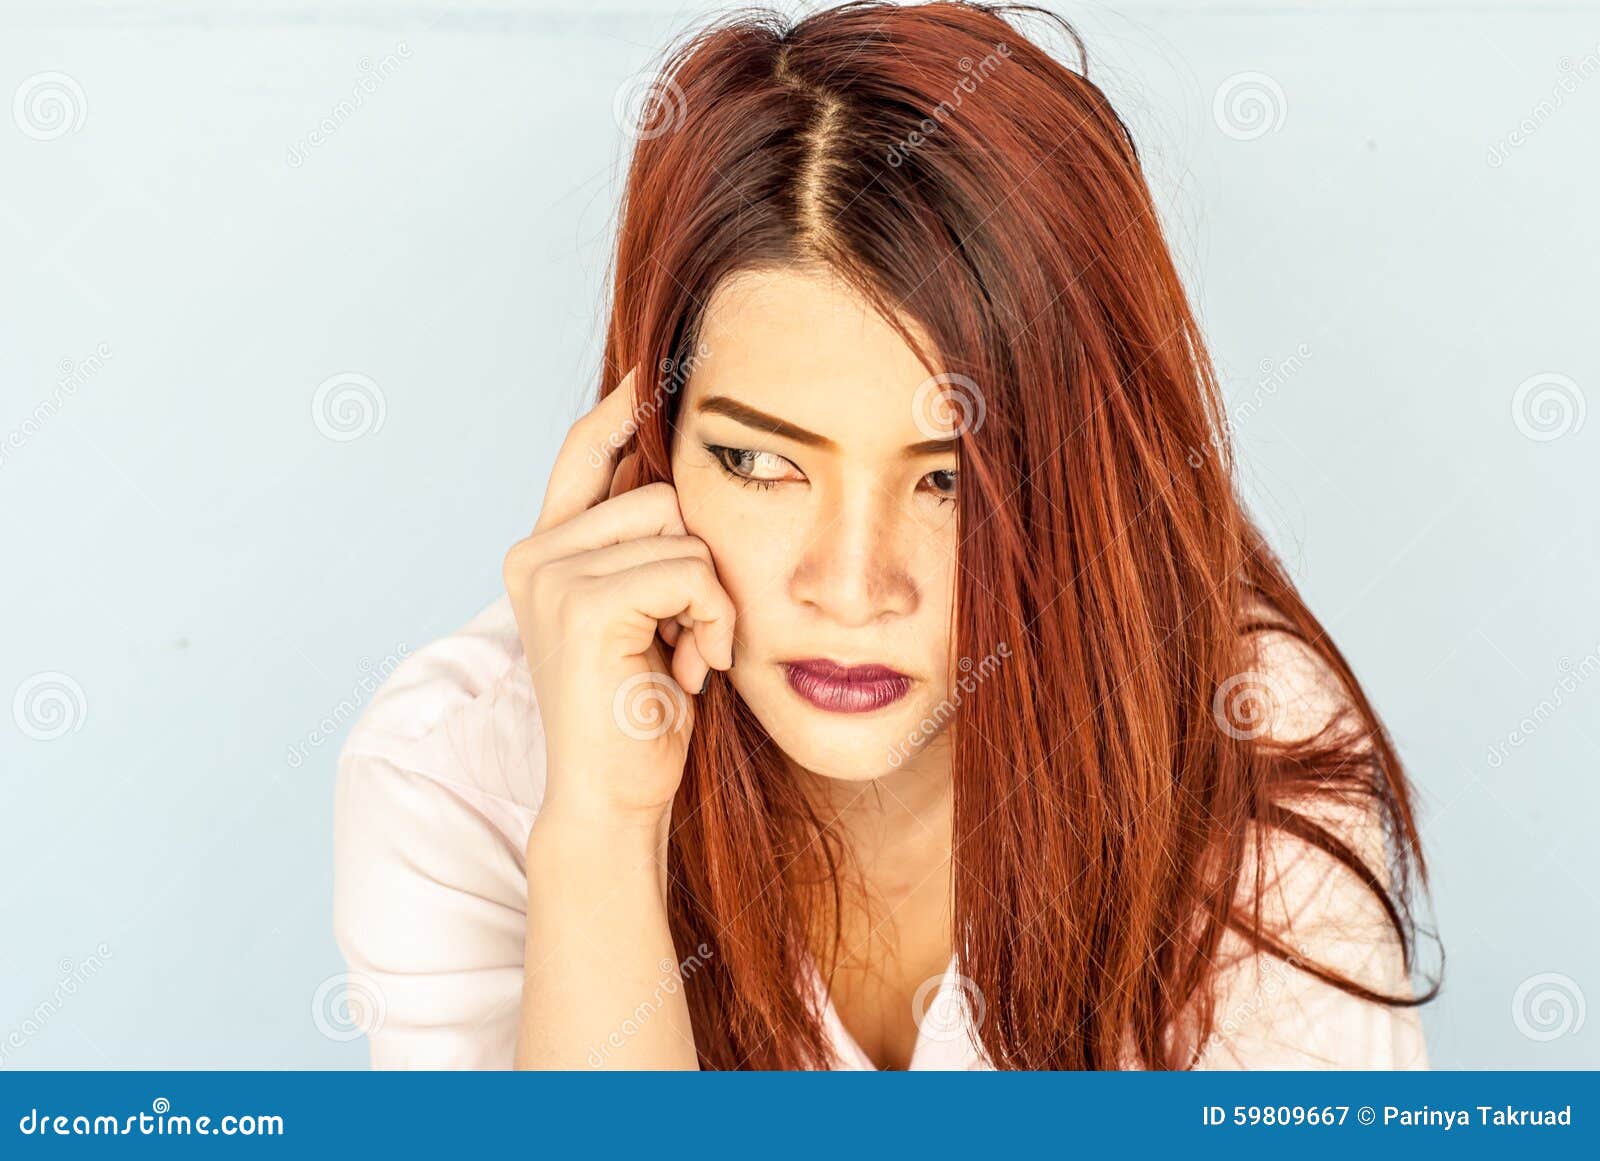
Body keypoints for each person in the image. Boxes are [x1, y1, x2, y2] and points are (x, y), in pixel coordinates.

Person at [332, 0, 1440, 1070]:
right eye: (759, 463)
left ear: (1081, 482)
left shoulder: (1243, 735)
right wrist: (603, 830)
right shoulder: (458, 774)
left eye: (950, 480)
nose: (854, 587)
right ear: (647, 447)